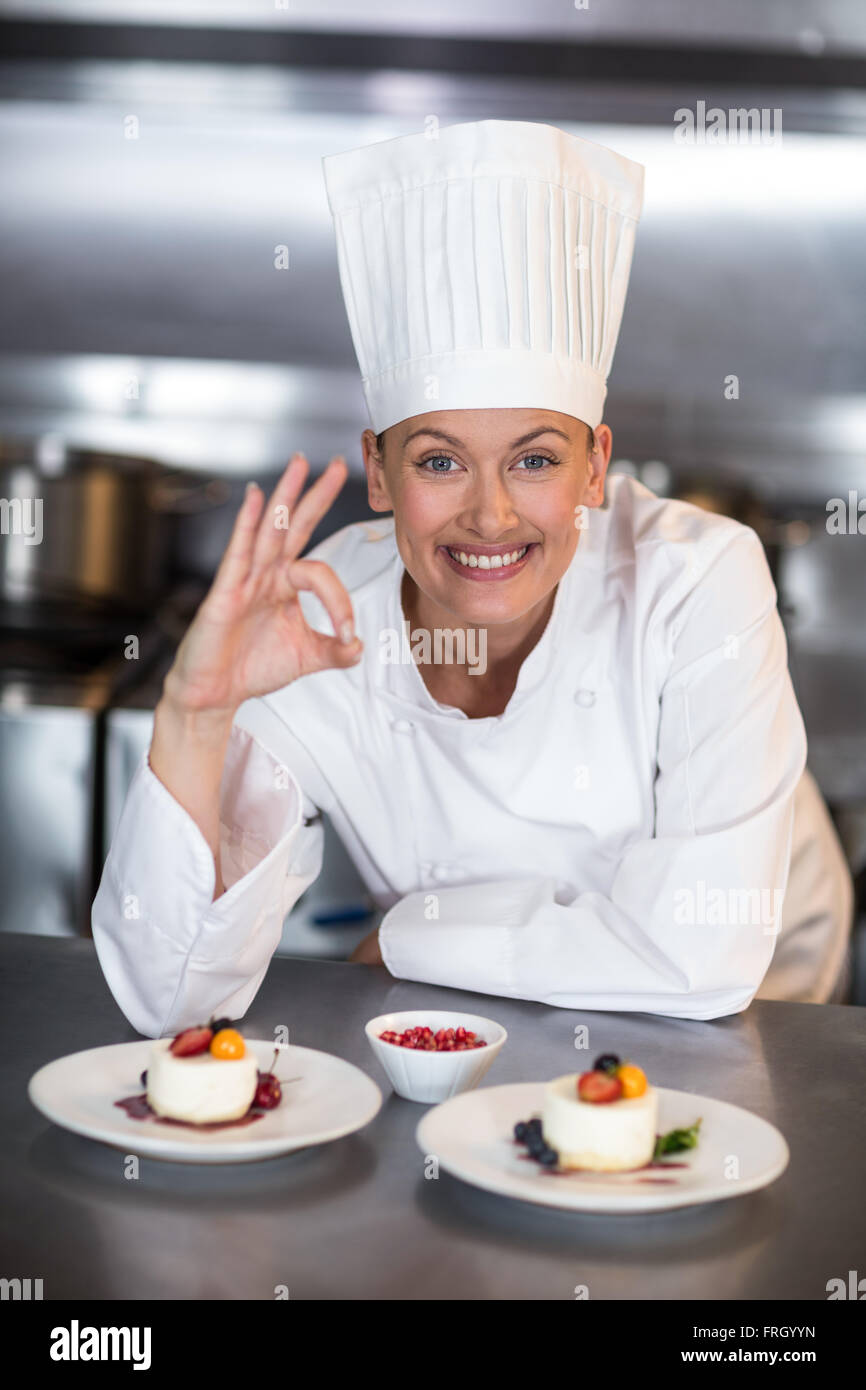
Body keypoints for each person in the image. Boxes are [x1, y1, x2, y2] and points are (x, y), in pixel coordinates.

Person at [91, 120, 853, 1038]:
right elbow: (168, 994)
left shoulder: (698, 579)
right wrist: (195, 714)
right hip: (471, 1014)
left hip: (752, 1005)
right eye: (441, 463)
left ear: (594, 464)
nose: (490, 517)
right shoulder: (318, 622)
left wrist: (409, 936)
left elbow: (698, 960)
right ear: (377, 470)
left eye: (534, 462)